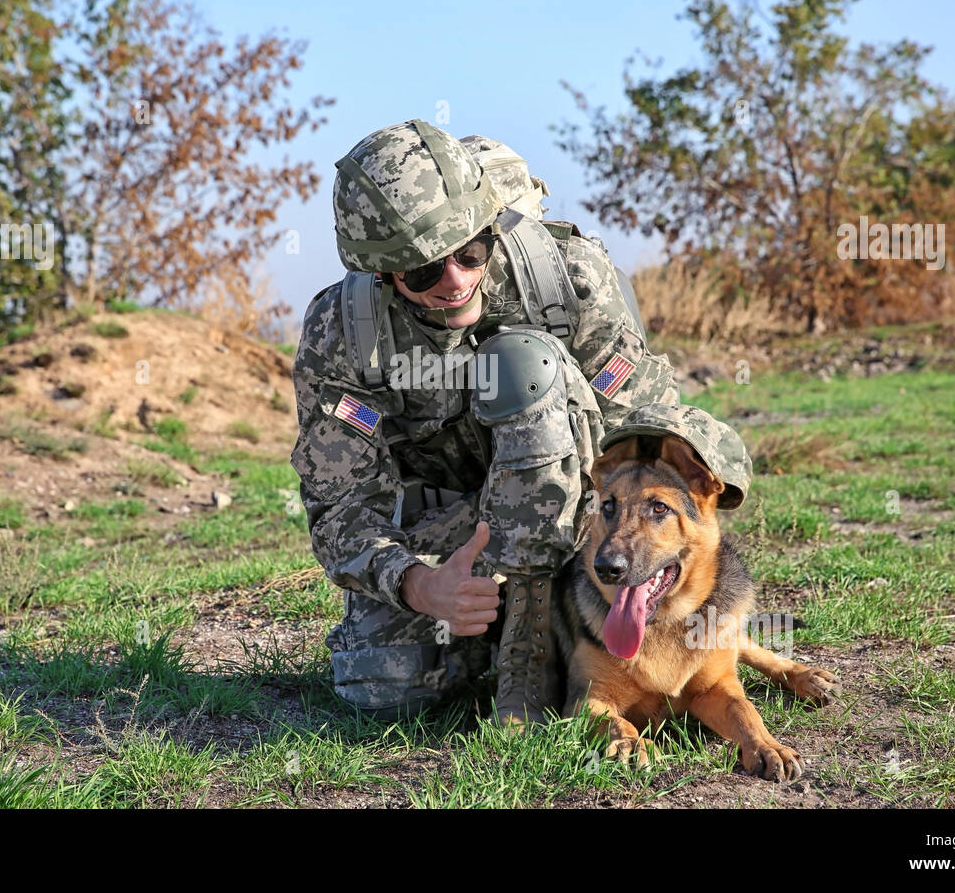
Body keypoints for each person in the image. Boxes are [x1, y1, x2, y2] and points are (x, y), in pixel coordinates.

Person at [289, 119, 752, 727]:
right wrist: (419, 586)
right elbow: (340, 509)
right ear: (382, 274)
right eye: (423, 272)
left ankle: (531, 650)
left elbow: (648, 434)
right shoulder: (341, 334)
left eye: (470, 251)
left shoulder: (568, 277)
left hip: (586, 523)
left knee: (519, 363)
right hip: (455, 534)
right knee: (382, 685)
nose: (455, 281)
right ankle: (498, 626)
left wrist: (644, 532)